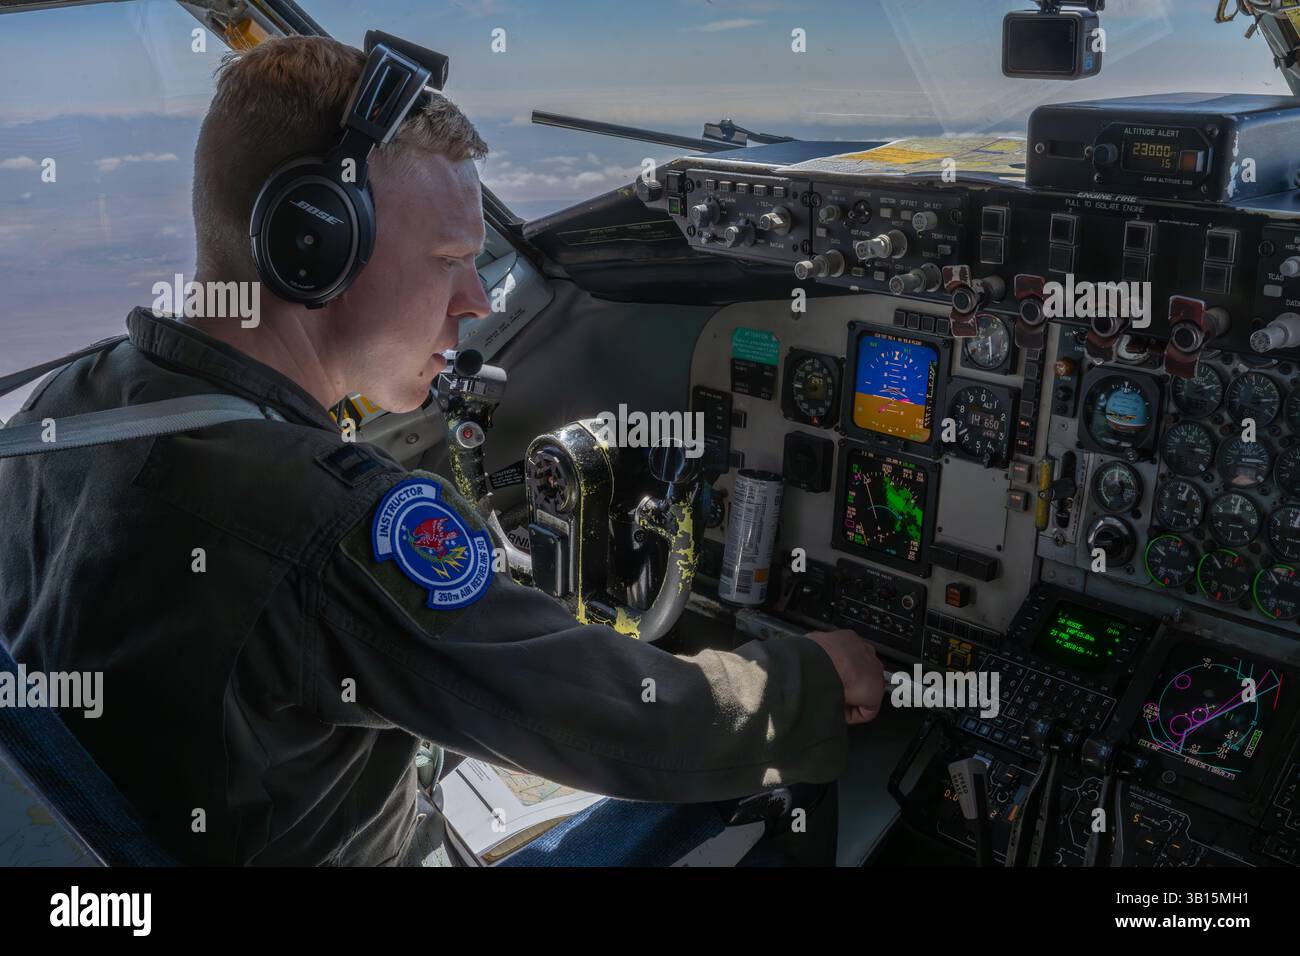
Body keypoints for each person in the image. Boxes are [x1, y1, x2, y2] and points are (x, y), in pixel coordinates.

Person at [0, 35, 884, 866]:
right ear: (315, 249)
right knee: (768, 784)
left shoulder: (66, 411)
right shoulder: (323, 516)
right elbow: (620, 722)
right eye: (451, 258)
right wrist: (803, 681)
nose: (476, 302)